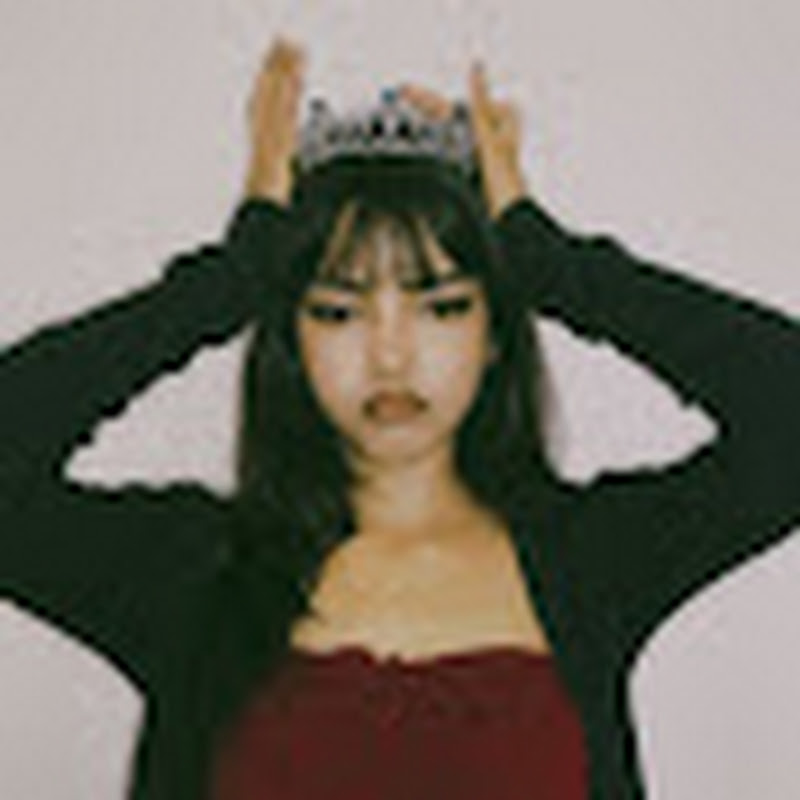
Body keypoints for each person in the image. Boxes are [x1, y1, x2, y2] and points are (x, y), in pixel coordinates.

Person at [1, 33, 798, 800]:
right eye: (338, 311)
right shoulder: (196, 574)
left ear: (494, 333)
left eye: (441, 306)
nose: (390, 355)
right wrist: (235, 273)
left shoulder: (589, 563)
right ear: (292, 336)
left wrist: (543, 256)